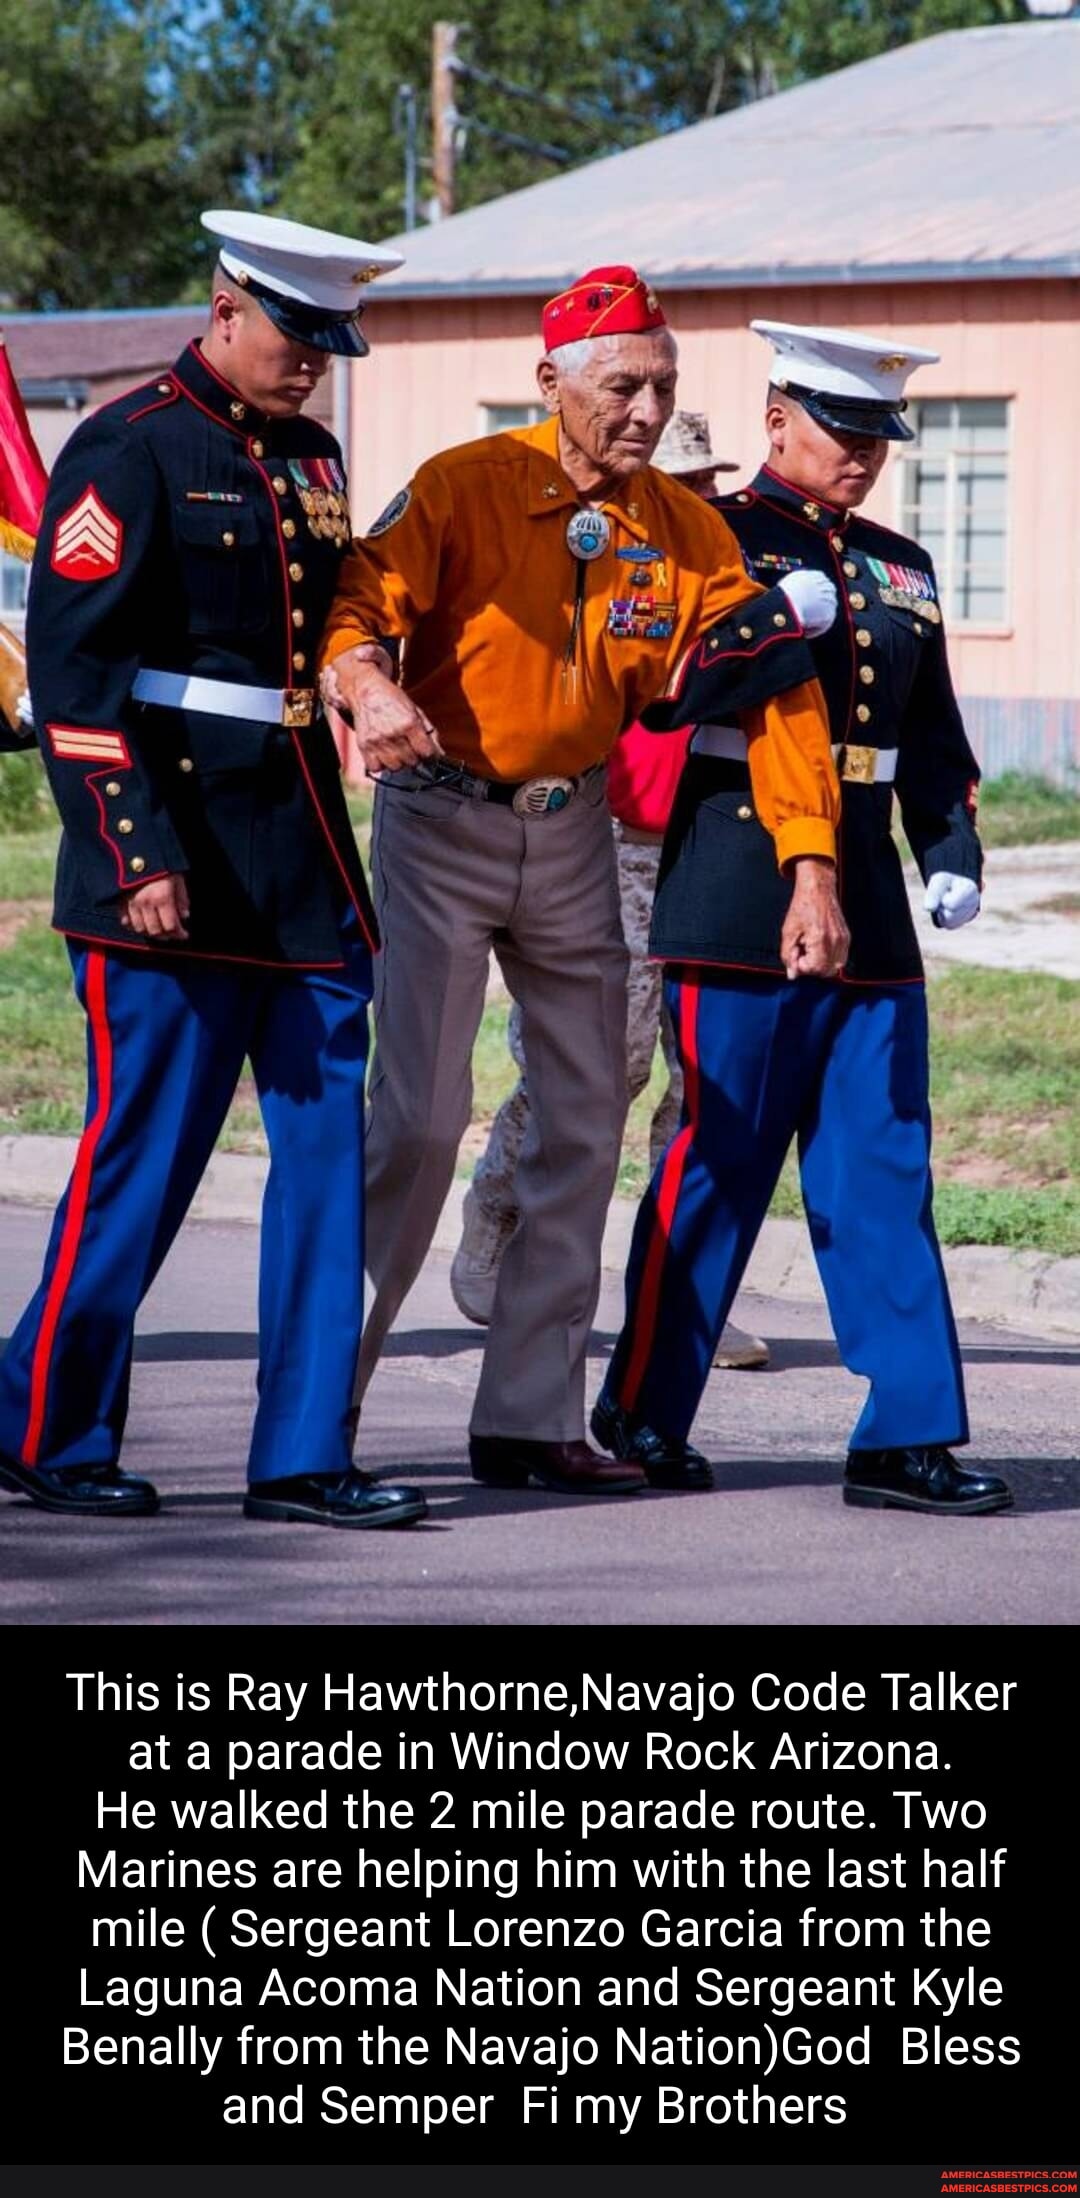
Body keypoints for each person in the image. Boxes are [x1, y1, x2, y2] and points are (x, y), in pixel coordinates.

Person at [320, 267, 847, 1500]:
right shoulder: (465, 483)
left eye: (665, 384)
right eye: (624, 383)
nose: (649, 407)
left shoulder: (685, 524)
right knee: (417, 1117)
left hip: (575, 830)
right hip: (444, 817)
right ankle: (315, 1401)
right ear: (550, 379)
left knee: (584, 1118)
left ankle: (530, 1419)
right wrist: (369, 680)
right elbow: (361, 596)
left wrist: (811, 862)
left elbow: (775, 680)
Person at [0, 210, 426, 1529]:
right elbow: (75, 680)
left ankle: (303, 1452)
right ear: (225, 307)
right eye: (297, 334)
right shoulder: (127, 448)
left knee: (322, 1168)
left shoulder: (313, 453)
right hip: (170, 861)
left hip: (301, 860)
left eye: (329, 341)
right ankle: (45, 1427)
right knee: (144, 1160)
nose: (312, 362)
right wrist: (134, 852)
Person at [592, 319, 1013, 1516]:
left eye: (881, 433)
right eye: (843, 428)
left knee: (884, 1167)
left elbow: (931, 735)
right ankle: (642, 1408)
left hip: (870, 894)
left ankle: (907, 1435)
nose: (865, 455)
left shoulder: (901, 565)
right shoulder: (705, 534)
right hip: (736, 884)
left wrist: (950, 846)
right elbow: (662, 696)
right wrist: (769, 621)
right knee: (718, 1161)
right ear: (777, 422)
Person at [450, 409, 769, 1371]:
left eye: (708, 482)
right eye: (681, 482)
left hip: (716, 849)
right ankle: (498, 1213)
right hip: (614, 842)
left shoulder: (733, 586)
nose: (695, 499)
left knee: (707, 1083)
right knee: (607, 1062)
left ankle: (678, 1294)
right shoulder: (591, 569)